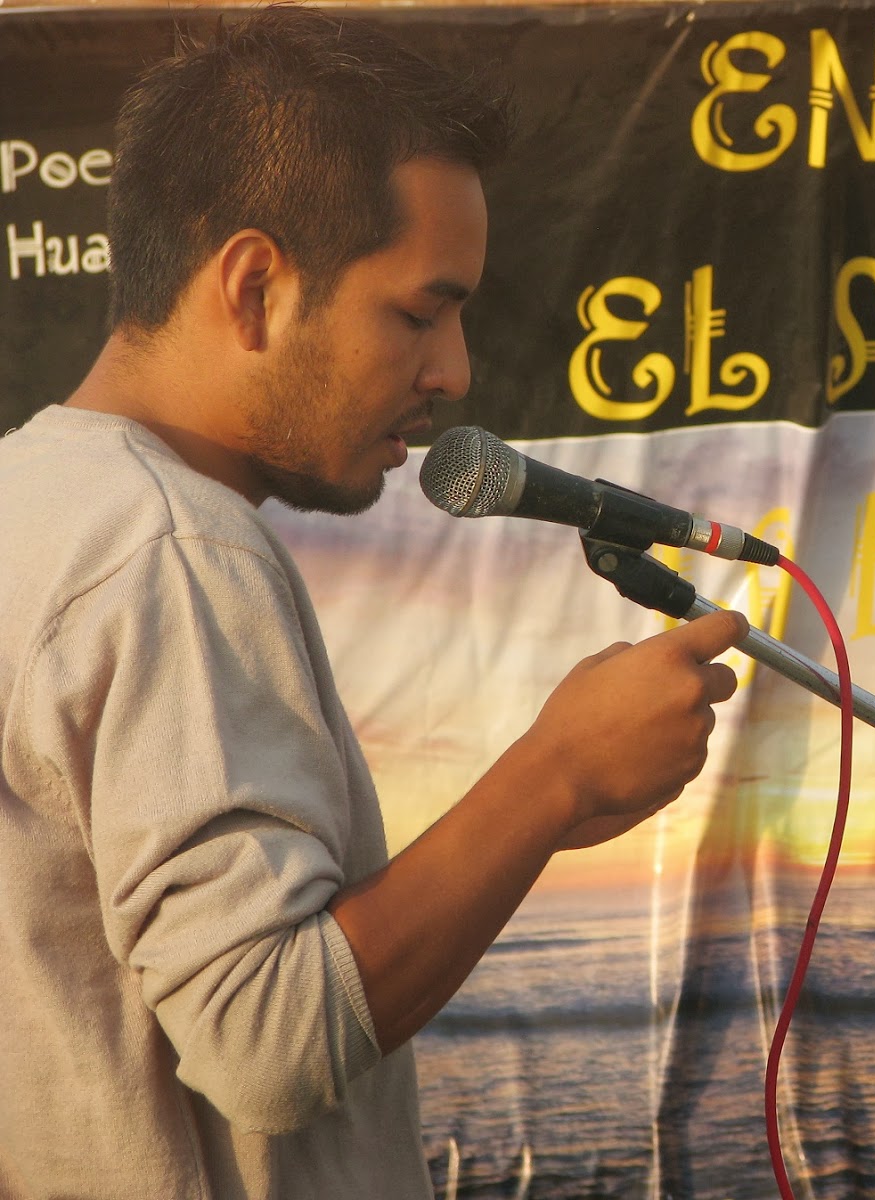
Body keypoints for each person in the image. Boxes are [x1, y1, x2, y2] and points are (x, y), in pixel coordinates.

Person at [0, 6, 747, 1198]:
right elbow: (267, 1039)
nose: (454, 371)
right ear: (254, 288)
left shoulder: (33, 502)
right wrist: (550, 777)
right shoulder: (173, 548)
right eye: (419, 311)